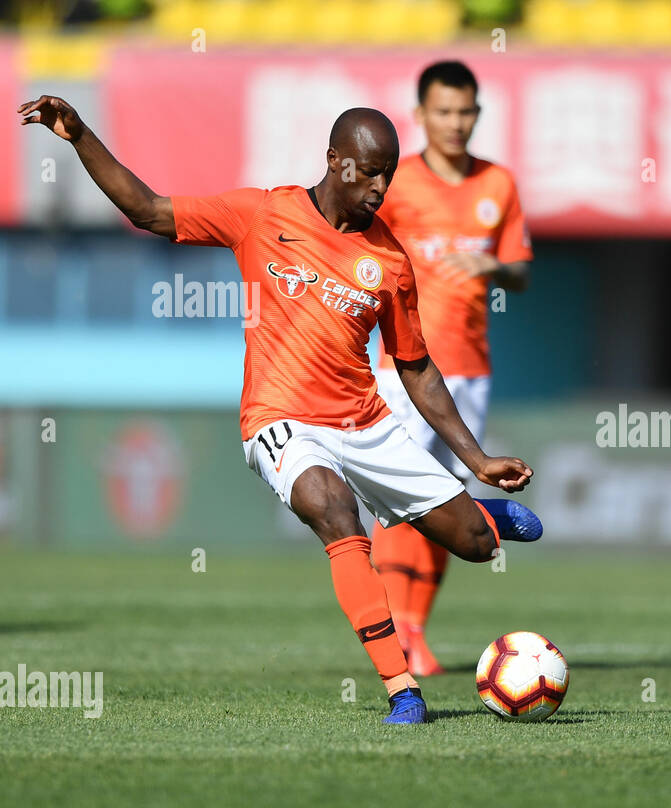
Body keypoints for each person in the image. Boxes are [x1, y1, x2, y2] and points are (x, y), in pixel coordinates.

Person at [19, 95, 542, 725]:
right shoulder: (264, 214)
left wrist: (475, 459)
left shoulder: (391, 263)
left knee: (477, 546)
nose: (380, 187)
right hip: (280, 419)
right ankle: (402, 688)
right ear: (334, 161)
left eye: (390, 175)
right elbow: (149, 211)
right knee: (332, 509)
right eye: (368, 172)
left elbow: (415, 367)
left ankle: (472, 515)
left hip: (366, 422)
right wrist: (79, 137)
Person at [369, 60, 532, 677]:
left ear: (478, 114)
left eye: (465, 111)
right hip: (403, 367)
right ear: (420, 116)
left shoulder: (499, 184)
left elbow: (521, 272)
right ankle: (392, 634)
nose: (455, 123)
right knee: (400, 499)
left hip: (471, 368)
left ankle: (413, 628)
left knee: (450, 498)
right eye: (443, 111)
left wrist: (491, 269)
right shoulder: (397, 184)